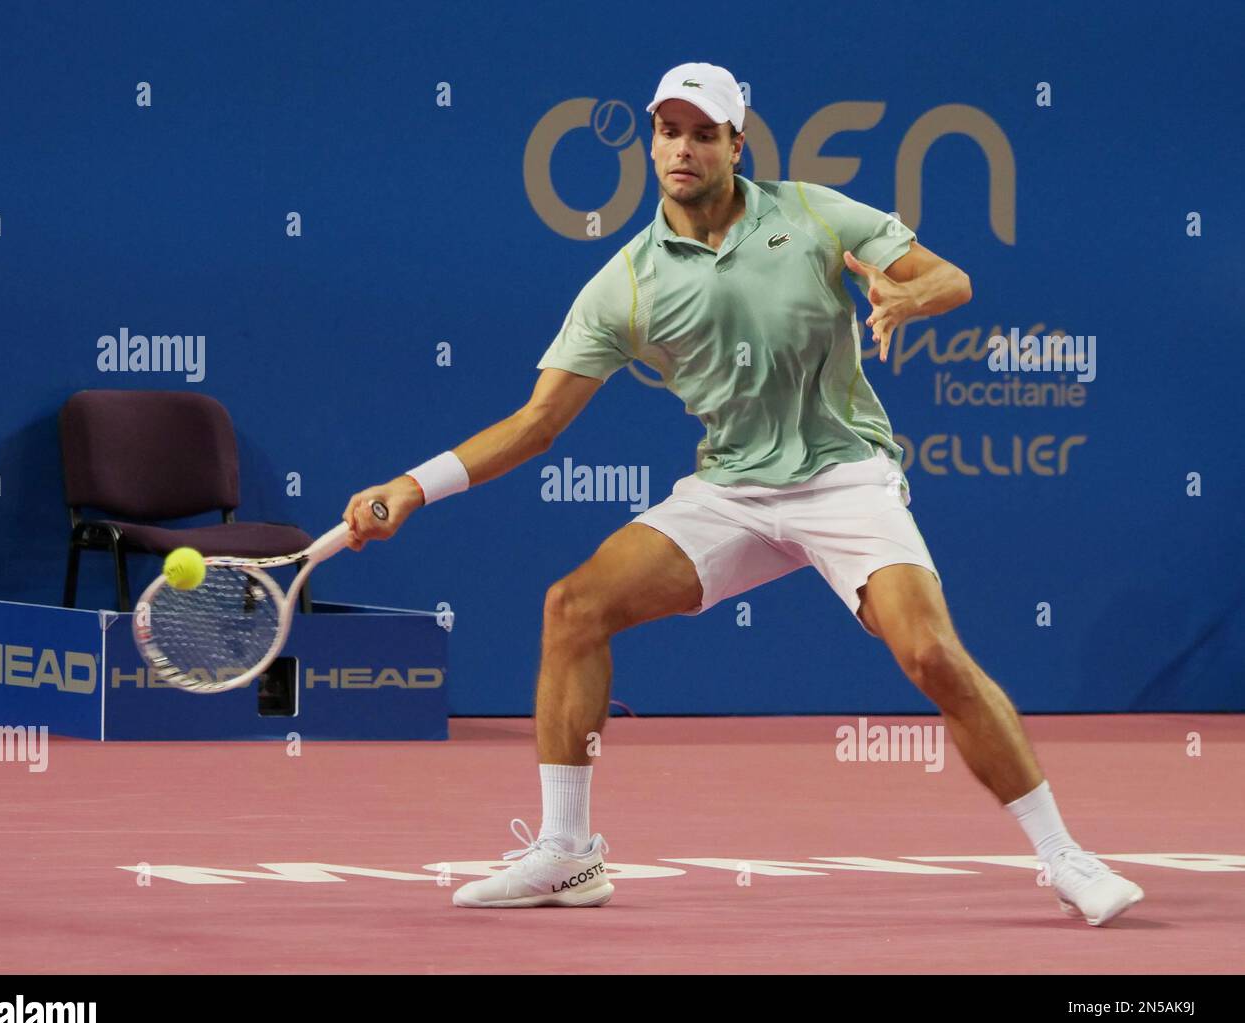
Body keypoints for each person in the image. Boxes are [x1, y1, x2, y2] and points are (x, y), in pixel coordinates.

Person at [342, 61, 1143, 925]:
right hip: (732, 491)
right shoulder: (629, 281)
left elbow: (956, 278)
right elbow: (537, 424)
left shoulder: (810, 213)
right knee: (574, 607)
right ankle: (568, 855)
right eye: (668, 131)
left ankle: (1067, 859)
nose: (681, 148)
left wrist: (904, 296)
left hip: (846, 478)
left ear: (737, 141)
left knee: (932, 656)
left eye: (701, 132)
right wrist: (413, 487)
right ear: (651, 141)